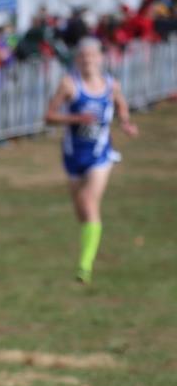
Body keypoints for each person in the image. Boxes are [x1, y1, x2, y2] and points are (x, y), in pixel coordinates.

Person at [43, 37, 137, 285]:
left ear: (100, 58)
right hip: (73, 156)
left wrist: (126, 123)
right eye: (83, 56)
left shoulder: (111, 84)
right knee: (82, 212)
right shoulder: (69, 85)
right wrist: (75, 119)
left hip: (101, 154)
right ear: (77, 59)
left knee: (88, 200)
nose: (88, 60)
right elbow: (49, 116)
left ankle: (85, 266)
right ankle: (89, 248)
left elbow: (121, 105)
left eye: (92, 56)